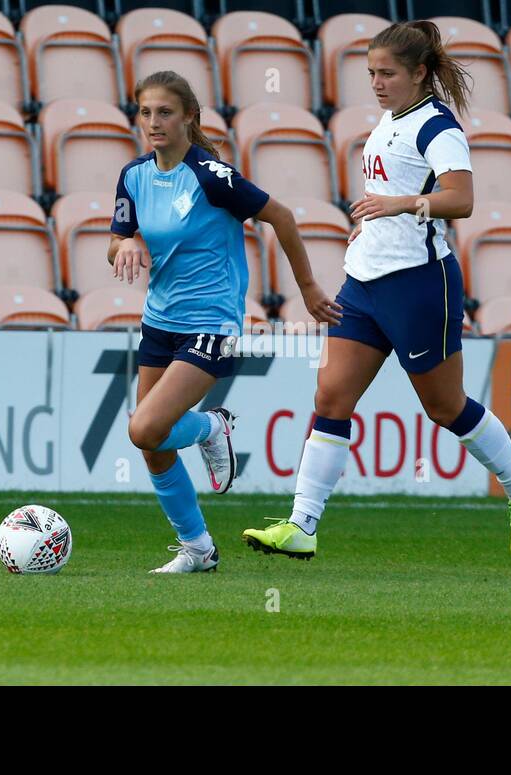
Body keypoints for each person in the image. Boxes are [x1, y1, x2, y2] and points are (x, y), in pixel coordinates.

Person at [242, 21, 511, 560]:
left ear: (419, 73)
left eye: (387, 73)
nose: (377, 83)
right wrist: (376, 222)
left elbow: (461, 199)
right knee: (331, 397)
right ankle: (302, 525)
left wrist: (401, 206)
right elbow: (393, 190)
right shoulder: (389, 119)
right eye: (371, 73)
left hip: (419, 285)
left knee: (445, 406)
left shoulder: (437, 126)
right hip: (364, 282)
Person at [109, 71, 342, 574]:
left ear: (190, 117)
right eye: (146, 112)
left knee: (144, 426)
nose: (154, 122)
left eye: (165, 112)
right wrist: (124, 242)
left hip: (211, 324)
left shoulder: (212, 175)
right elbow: (118, 237)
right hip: (159, 322)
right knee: (150, 445)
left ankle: (212, 427)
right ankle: (198, 550)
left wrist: (307, 288)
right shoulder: (133, 176)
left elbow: (281, 216)